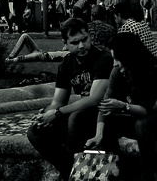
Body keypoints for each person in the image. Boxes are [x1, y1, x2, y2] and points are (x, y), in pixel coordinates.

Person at [87, 32, 157, 181]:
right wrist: (98, 134)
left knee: (143, 124)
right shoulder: (117, 72)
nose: (115, 63)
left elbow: (145, 110)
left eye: (117, 58)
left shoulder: (151, 70)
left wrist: (123, 106)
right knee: (109, 122)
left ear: (129, 56)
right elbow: (105, 104)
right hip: (144, 118)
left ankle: (147, 176)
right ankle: (115, 174)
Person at [26, 17, 114, 180]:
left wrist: (58, 113)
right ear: (65, 43)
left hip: (104, 115)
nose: (81, 46)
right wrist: (45, 114)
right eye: (75, 42)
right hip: (82, 114)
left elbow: (95, 99)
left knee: (76, 118)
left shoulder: (104, 58)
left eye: (84, 40)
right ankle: (70, 171)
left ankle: (78, 173)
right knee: (35, 130)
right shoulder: (66, 64)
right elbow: (58, 102)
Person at [118, 0, 157, 65]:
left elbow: (123, 52)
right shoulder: (142, 23)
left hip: (142, 65)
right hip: (154, 62)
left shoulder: (126, 28)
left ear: (119, 16)